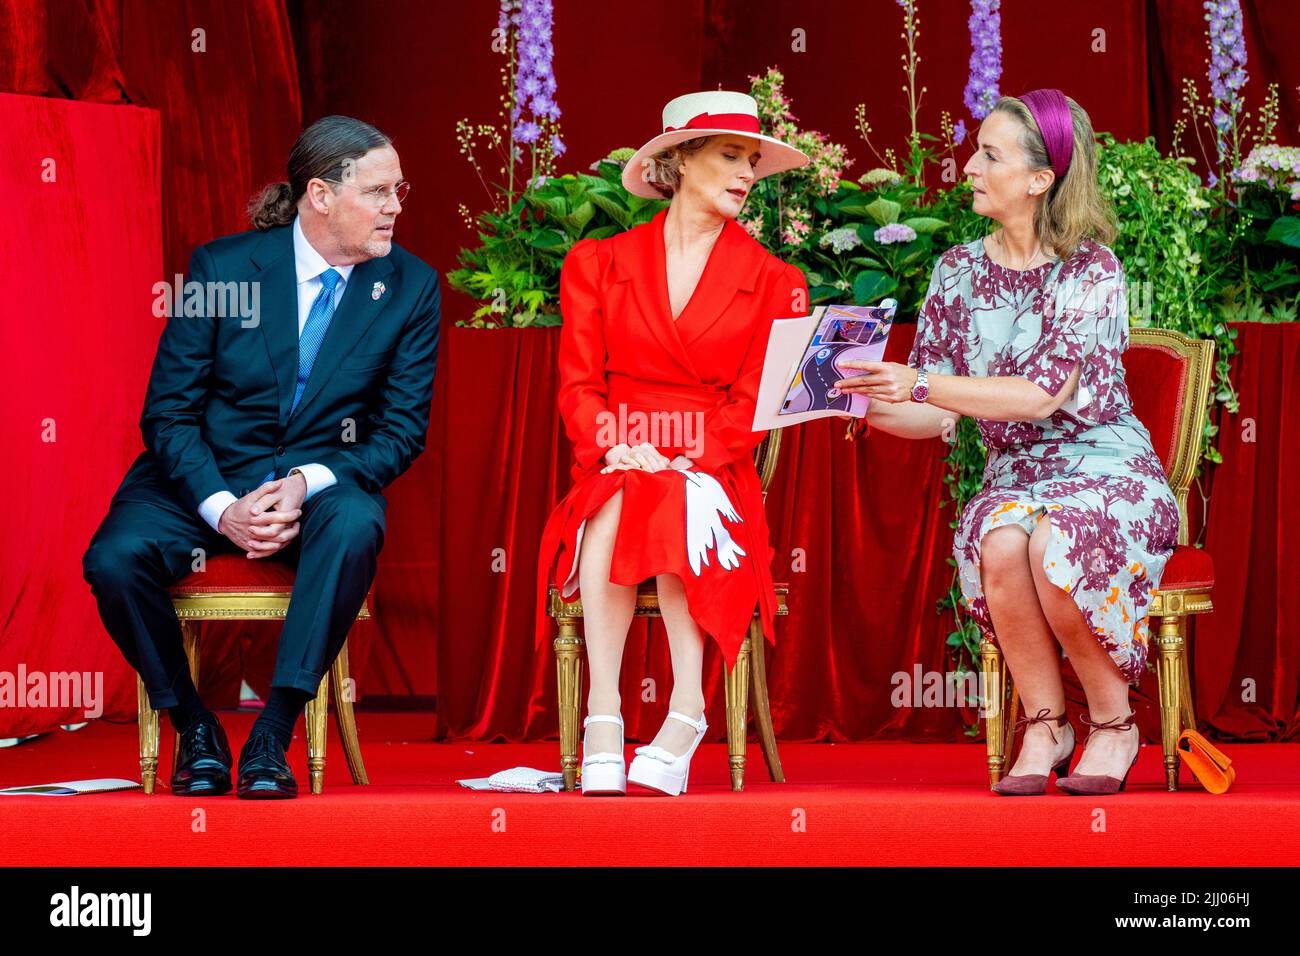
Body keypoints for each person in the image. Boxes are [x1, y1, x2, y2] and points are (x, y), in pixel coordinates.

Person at [82, 115, 441, 798]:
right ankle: (193, 726)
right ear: (320, 194)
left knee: (356, 524)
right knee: (113, 558)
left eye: (401, 190)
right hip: (204, 476)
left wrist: (307, 480)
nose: (396, 206)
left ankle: (274, 730)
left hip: (319, 481)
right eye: (380, 191)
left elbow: (401, 431)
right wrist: (221, 509)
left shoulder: (409, 286)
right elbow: (168, 413)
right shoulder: (224, 267)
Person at [835, 90, 1178, 796]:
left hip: (1109, 469)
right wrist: (858, 401)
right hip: (1017, 472)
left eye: (989, 155)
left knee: (1051, 544)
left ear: (1039, 179)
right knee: (1000, 538)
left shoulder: (1092, 270)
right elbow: (933, 416)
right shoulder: (955, 271)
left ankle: (1115, 724)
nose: (968, 167)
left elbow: (1040, 394)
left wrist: (920, 384)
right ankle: (1045, 724)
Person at [535, 91, 809, 796]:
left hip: (712, 466)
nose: (747, 173)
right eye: (729, 156)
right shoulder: (595, 262)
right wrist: (617, 443)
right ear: (679, 160)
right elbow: (577, 387)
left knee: (659, 493)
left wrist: (680, 452)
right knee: (626, 491)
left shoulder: (778, 283)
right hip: (616, 455)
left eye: (753, 160)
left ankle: (680, 707)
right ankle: (607, 710)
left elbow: (755, 408)